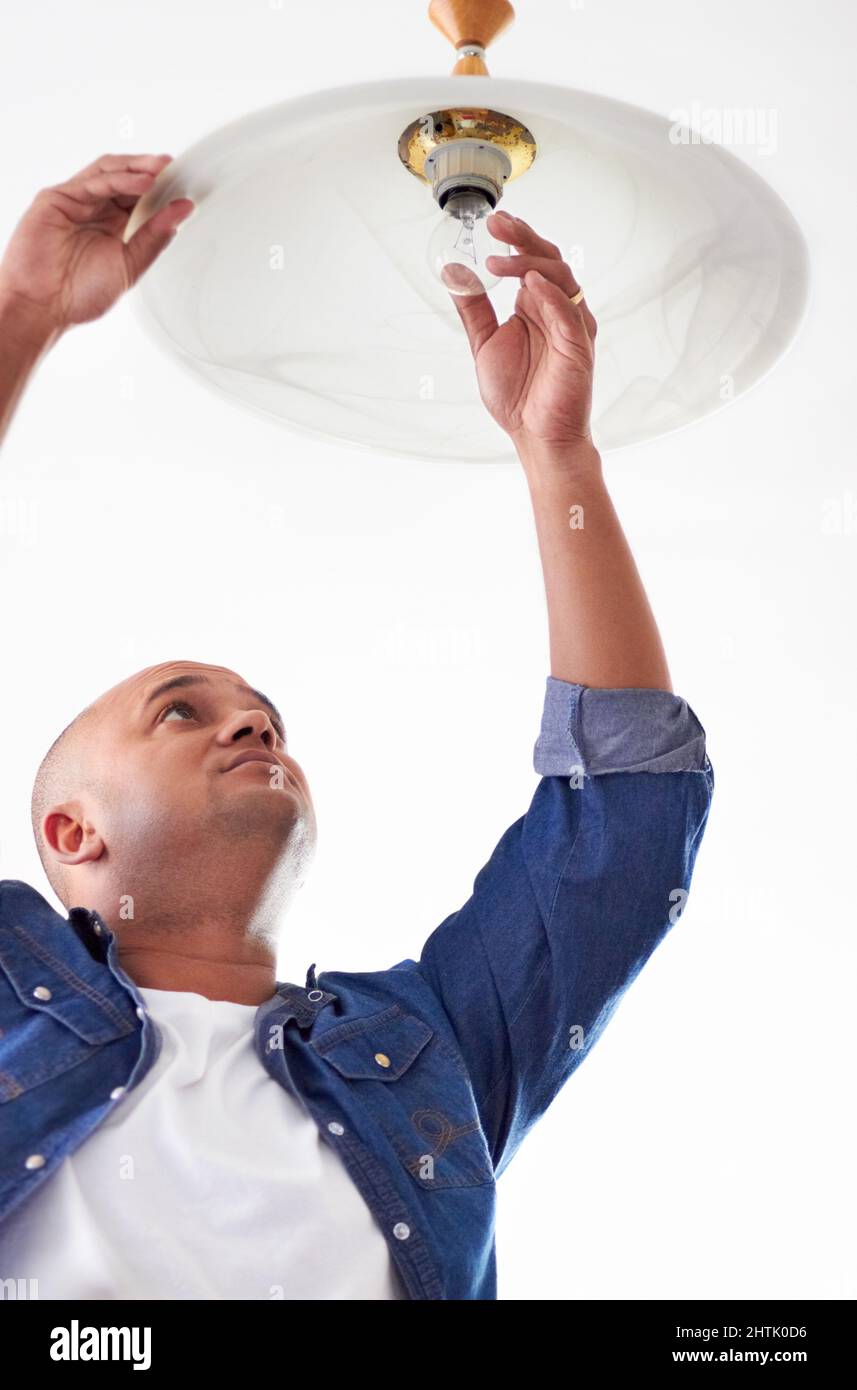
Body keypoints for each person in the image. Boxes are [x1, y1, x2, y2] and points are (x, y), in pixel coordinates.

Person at [0, 155, 714, 1301]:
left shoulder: (427, 1053)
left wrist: (557, 453)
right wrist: (25, 314)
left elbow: (620, 832)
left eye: (263, 717)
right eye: (182, 709)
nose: (248, 724)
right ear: (71, 833)